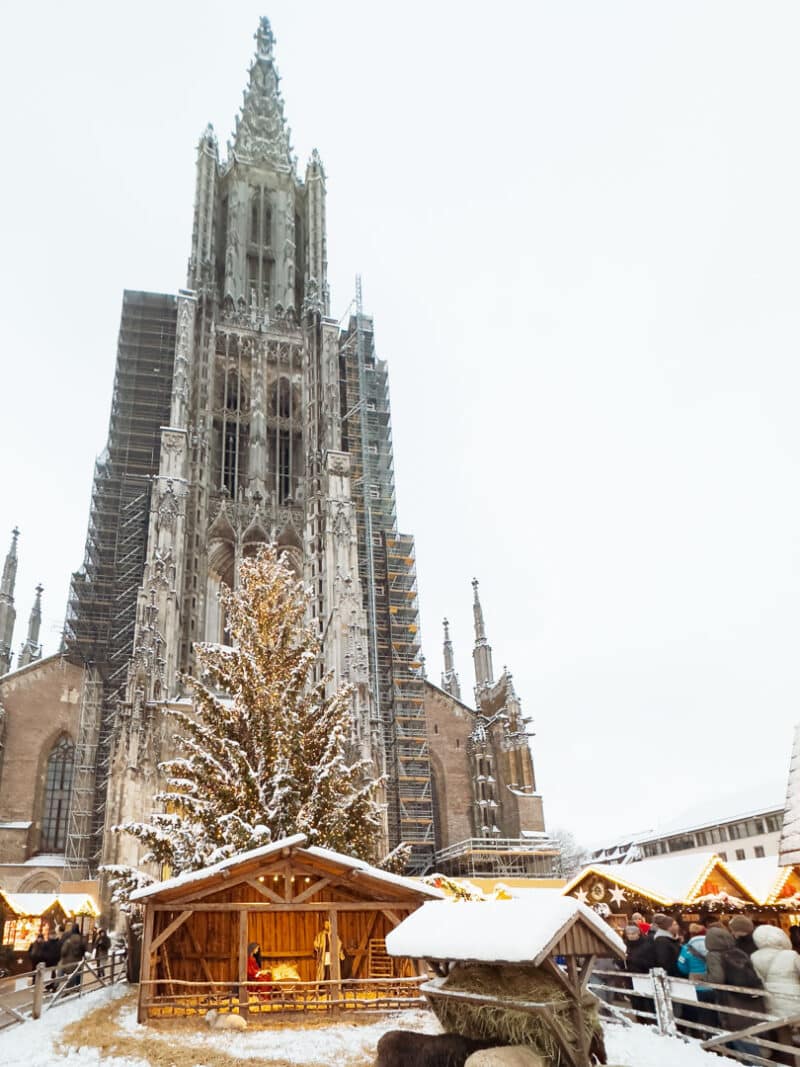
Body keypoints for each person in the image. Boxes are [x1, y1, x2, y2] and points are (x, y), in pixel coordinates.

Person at [705, 924, 764, 1059]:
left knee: (738, 1034)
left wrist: (704, 978)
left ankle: (752, 1062)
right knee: (749, 1031)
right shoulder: (738, 951)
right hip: (748, 997)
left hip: (729, 999)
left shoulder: (713, 955)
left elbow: (717, 978)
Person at [751, 924, 800, 1065]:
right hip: (794, 999)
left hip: (771, 1000)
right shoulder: (790, 955)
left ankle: (788, 1060)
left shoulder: (754, 957)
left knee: (782, 1032)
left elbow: (757, 980)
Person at [677, 923, 718, 1033]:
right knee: (712, 1012)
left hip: (696, 985)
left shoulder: (686, 948)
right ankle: (713, 1034)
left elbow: (681, 965)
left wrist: (689, 971)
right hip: (713, 983)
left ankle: (698, 1033)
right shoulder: (713, 946)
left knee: (696, 1011)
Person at [622, 923, 655, 1021]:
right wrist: (621, 962)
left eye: (633, 933)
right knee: (635, 1001)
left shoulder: (646, 945)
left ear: (638, 934)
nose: (631, 935)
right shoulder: (624, 945)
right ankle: (641, 1021)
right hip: (630, 978)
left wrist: (632, 960)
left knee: (647, 1001)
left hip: (643, 976)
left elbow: (650, 962)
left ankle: (651, 1020)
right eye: (629, 933)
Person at [313, 920, 344, 987]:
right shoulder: (320, 935)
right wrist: (318, 945)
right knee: (324, 970)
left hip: (332, 956)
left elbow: (339, 943)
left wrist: (338, 948)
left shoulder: (333, 935)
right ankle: (324, 986)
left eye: (328, 924)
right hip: (324, 956)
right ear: (324, 925)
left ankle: (332, 986)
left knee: (331, 970)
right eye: (326, 924)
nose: (327, 926)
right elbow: (316, 943)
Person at [59, 924, 88, 989]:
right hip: (78, 960)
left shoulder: (68, 938)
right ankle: (77, 986)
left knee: (65, 972)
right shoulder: (81, 939)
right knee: (78, 972)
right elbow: (84, 949)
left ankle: (61, 986)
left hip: (67, 960)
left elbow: (63, 951)